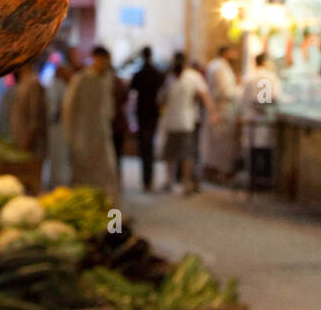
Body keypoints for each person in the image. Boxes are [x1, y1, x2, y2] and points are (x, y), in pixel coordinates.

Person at [63, 46, 120, 203]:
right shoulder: (81, 79)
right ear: (95, 59)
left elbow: (109, 107)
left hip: (103, 136)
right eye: (102, 61)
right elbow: (68, 109)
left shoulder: (107, 78)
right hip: (83, 137)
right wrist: (71, 137)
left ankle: (111, 218)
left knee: (108, 176)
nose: (104, 65)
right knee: (83, 179)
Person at [159, 52, 215, 195]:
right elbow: (204, 95)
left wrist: (212, 113)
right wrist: (212, 113)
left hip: (181, 120)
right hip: (183, 121)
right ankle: (182, 183)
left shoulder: (175, 77)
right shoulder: (186, 77)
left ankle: (176, 182)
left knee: (177, 154)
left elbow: (162, 99)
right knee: (183, 154)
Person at [238, 52, 283, 191]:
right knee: (265, 153)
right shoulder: (270, 78)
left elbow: (244, 99)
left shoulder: (251, 78)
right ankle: (264, 184)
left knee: (254, 153)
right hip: (264, 122)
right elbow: (272, 99)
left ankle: (254, 182)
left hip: (253, 121)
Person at [128, 47, 165, 192]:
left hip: (142, 113)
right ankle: (149, 178)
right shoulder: (157, 74)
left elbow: (131, 92)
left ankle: (146, 179)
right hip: (153, 113)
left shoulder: (139, 74)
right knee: (149, 145)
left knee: (144, 146)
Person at [201, 45, 240, 179]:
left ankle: (215, 171)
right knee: (222, 144)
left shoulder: (215, 65)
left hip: (219, 107)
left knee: (215, 143)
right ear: (226, 53)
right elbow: (225, 91)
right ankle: (220, 173)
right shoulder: (220, 68)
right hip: (222, 108)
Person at [9, 60, 47, 162]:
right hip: (22, 144)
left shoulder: (33, 83)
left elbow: (36, 117)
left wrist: (27, 142)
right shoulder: (24, 83)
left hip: (31, 148)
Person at [44, 56, 72, 189]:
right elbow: (54, 107)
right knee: (56, 156)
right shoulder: (54, 85)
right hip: (56, 126)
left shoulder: (63, 85)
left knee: (61, 157)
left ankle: (61, 182)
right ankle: (57, 182)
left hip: (61, 126)